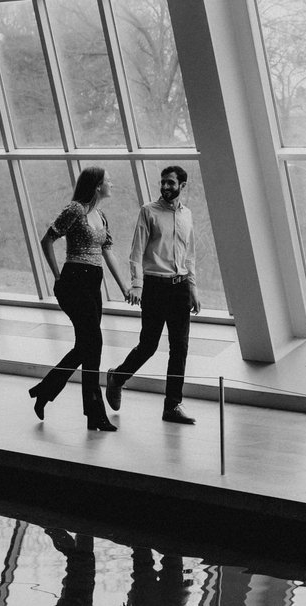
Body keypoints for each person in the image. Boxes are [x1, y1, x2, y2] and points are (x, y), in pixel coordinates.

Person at [30, 166, 130, 431]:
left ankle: (47, 391)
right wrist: (56, 274)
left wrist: (124, 288)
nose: (111, 184)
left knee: (88, 346)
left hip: (93, 283)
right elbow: (46, 240)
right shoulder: (75, 210)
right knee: (92, 343)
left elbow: (108, 253)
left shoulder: (101, 216)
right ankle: (94, 413)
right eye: (108, 180)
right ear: (97, 186)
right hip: (73, 281)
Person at [105, 166, 200, 425]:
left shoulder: (187, 215)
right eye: (163, 183)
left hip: (180, 288)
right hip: (155, 288)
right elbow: (136, 252)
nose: (166, 187)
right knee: (149, 345)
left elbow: (188, 255)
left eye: (171, 183)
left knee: (179, 348)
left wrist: (192, 288)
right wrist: (137, 285)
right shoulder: (149, 212)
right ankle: (117, 377)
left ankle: (172, 406)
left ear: (183, 185)